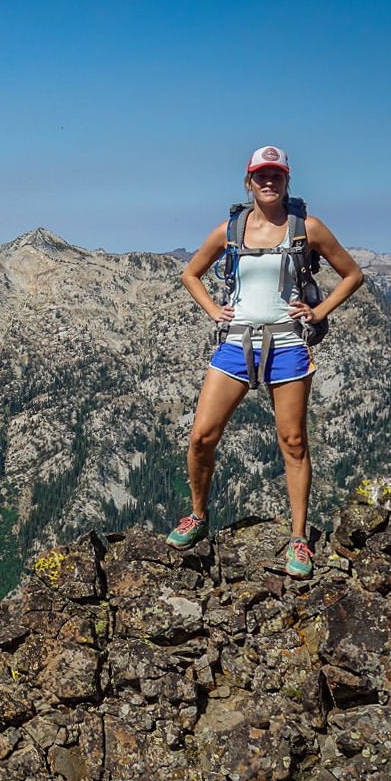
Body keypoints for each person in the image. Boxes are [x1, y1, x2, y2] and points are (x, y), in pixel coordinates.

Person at [165, 146, 365, 578]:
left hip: (288, 343)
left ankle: (298, 539)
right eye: (261, 176)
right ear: (248, 181)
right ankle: (197, 516)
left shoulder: (306, 228)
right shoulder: (230, 230)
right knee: (201, 437)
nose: (268, 182)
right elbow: (190, 273)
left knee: (293, 442)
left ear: (287, 180)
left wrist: (319, 310)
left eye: (276, 175)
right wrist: (213, 311)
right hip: (236, 342)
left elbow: (353, 274)